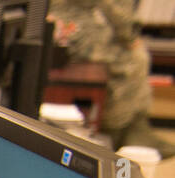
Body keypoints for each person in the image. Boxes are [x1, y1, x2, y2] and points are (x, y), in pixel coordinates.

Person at [51, 0, 175, 157]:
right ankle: (121, 132)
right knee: (134, 60)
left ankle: (128, 130)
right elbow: (127, 33)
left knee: (136, 57)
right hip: (70, 37)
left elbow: (127, 32)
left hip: (78, 34)